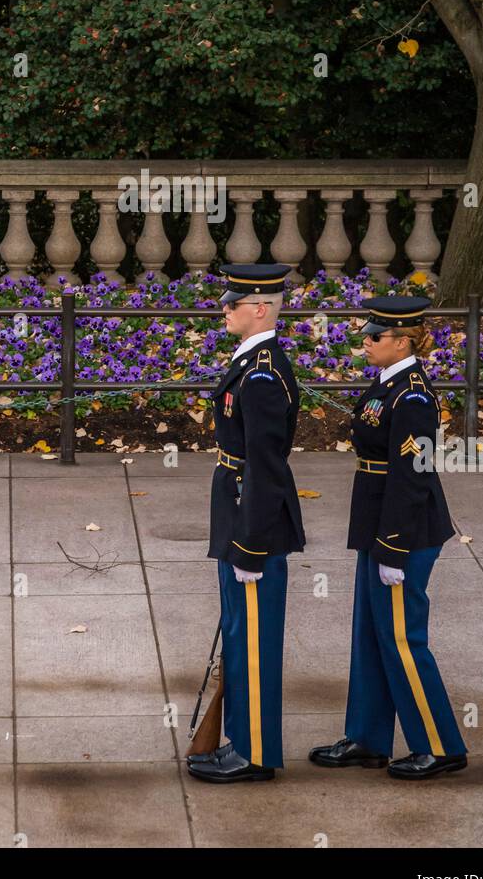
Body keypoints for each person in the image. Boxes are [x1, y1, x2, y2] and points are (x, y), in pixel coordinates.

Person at [309, 295, 468, 780]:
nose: (366, 340)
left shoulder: (413, 396)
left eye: (375, 336)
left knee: (402, 638)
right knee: (371, 634)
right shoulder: (388, 384)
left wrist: (394, 546)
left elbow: (412, 475)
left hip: (405, 529)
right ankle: (367, 737)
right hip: (377, 523)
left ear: (402, 342)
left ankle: (440, 747)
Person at [187, 263, 305, 784]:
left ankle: (256, 754)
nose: (224, 309)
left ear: (260, 309)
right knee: (240, 635)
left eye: (232, 303)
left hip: (253, 522)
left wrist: (251, 547)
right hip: (239, 512)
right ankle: (241, 738)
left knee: (254, 642)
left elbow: (268, 466)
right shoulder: (252, 364)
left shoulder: (262, 375)